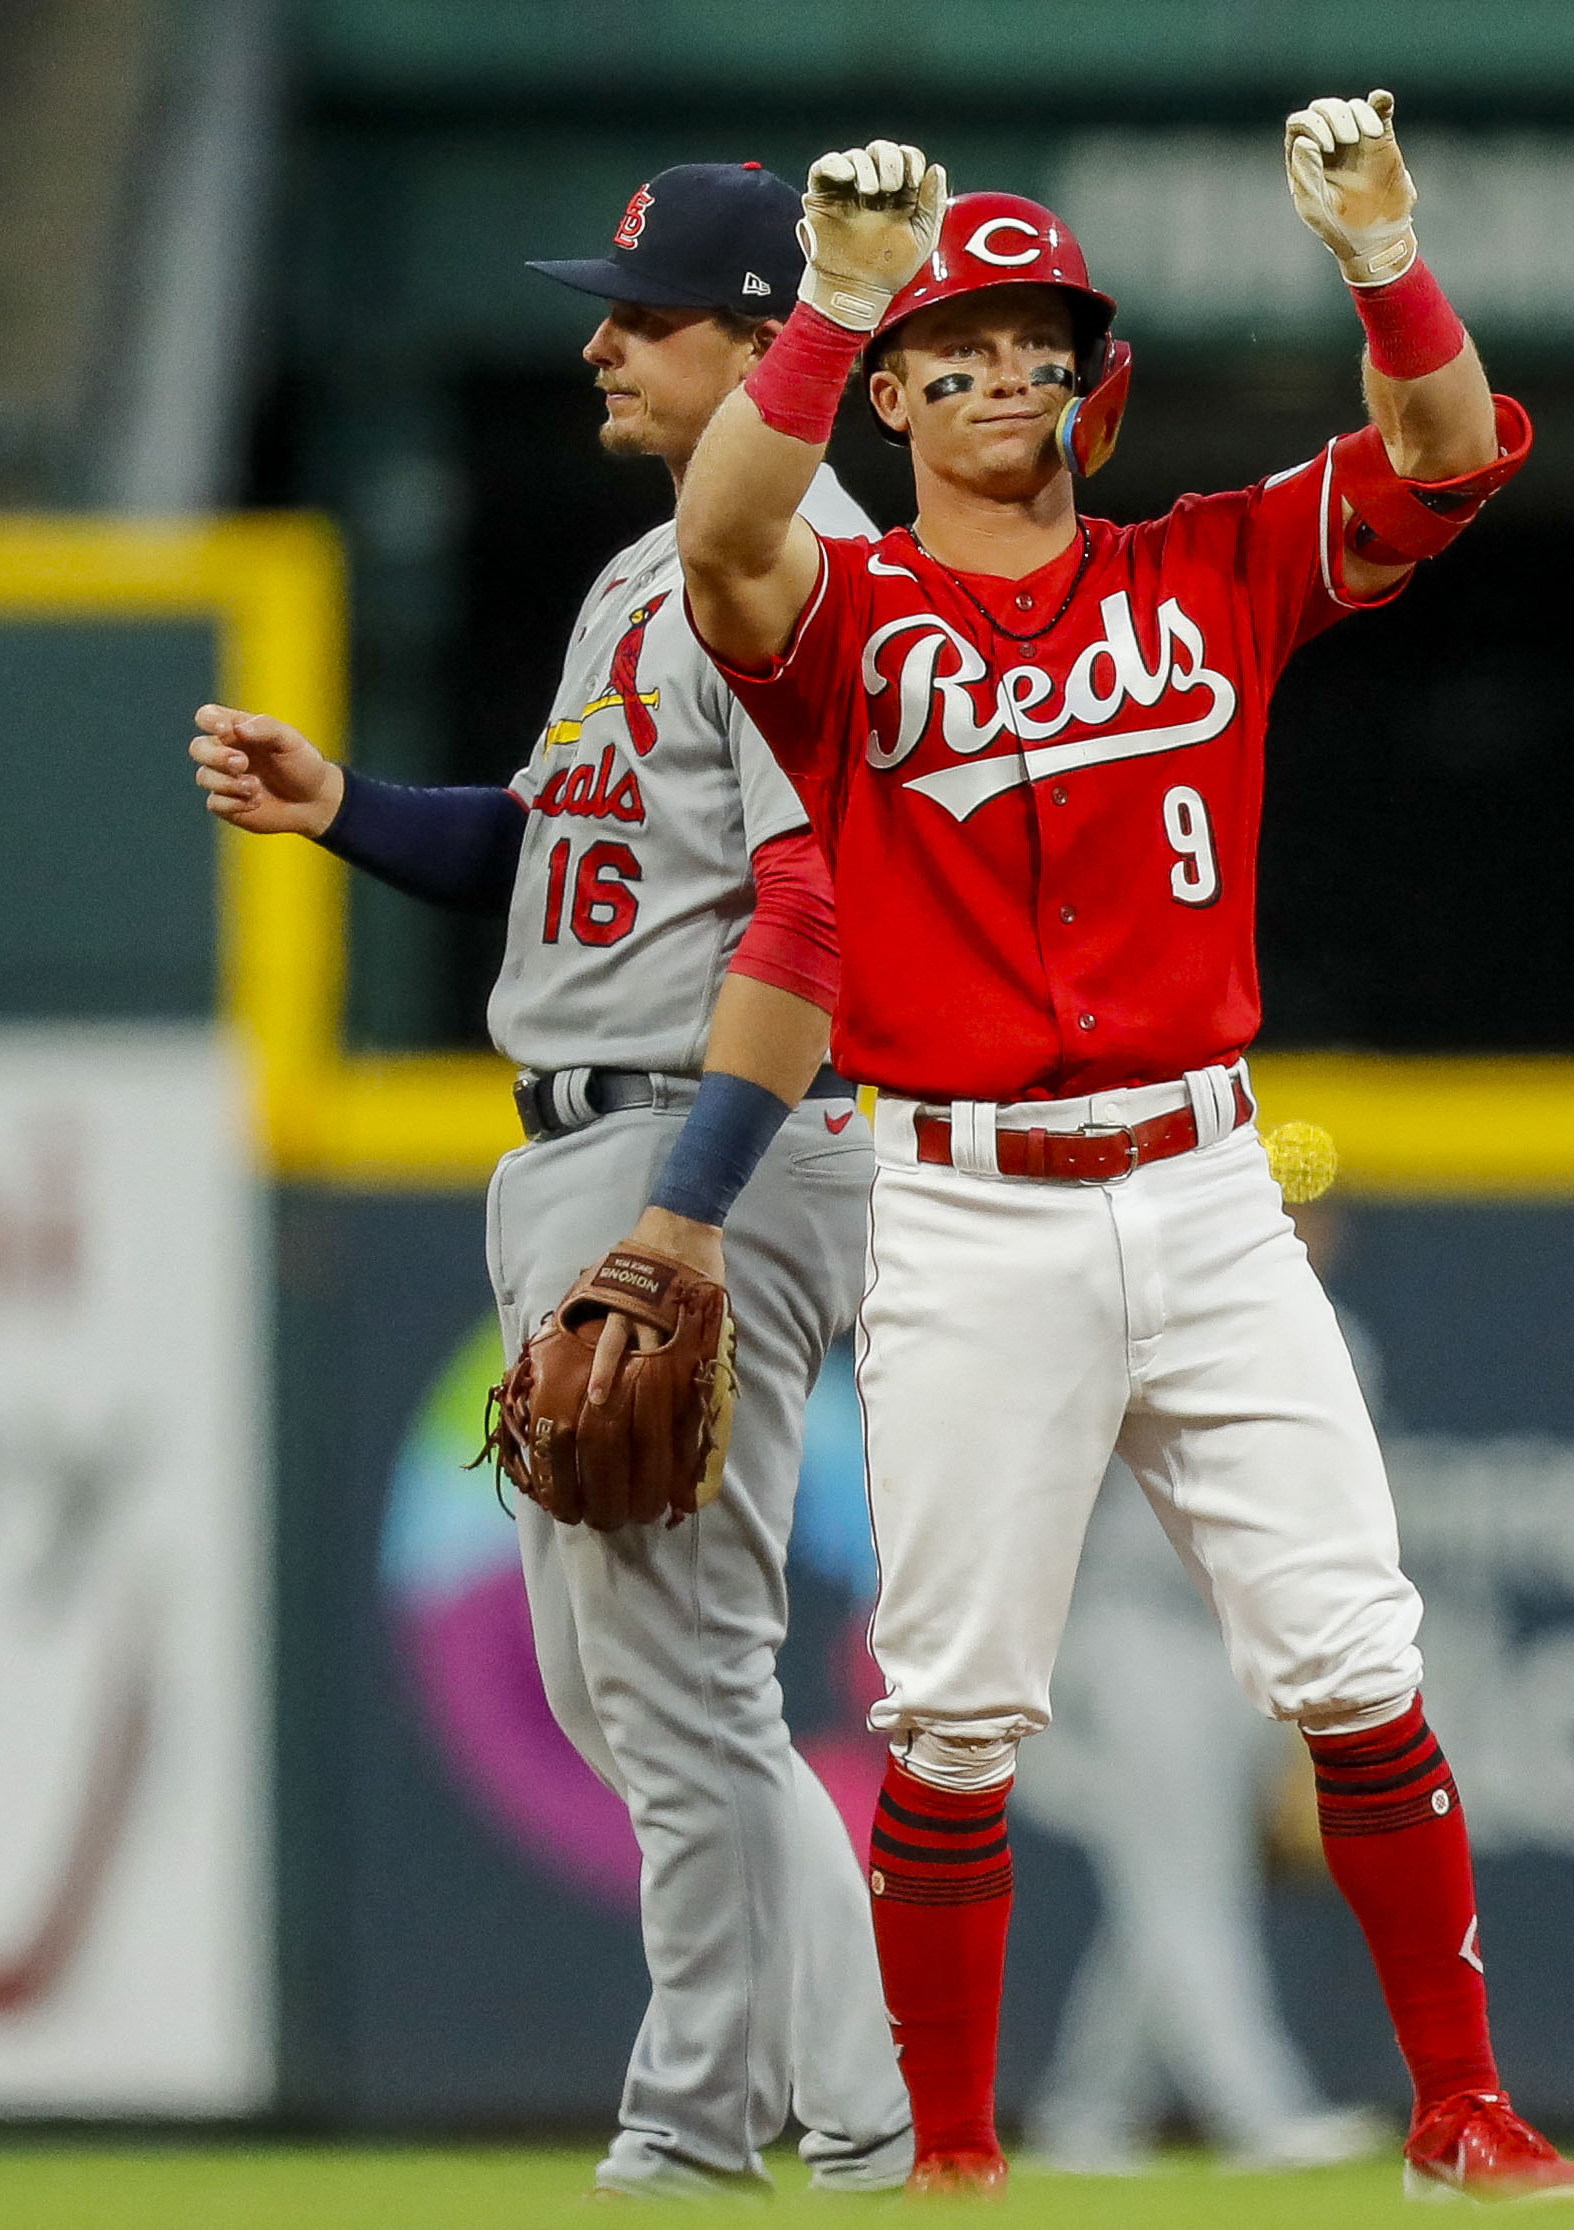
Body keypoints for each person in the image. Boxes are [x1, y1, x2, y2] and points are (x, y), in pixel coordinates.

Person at [673, 97, 1574, 2202]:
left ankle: (1458, 2103)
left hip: (1204, 1182)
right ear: (889, 392)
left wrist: (1380, 252)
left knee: (1356, 1658)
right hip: (967, 1202)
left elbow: (1445, 448)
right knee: (955, 1712)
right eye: (960, 344)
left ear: (1098, 377)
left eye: (1040, 339)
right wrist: (823, 296)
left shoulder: (1208, 566)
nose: (1009, 373)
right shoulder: (846, 612)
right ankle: (956, 2151)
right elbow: (729, 530)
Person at [185, 162, 912, 2199]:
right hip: (582, 1136)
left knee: (678, 1682)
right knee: (626, 1694)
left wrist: (686, 1201)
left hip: (699, 1138)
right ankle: (868, 2119)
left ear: (770, 335)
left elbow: (812, 901)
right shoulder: (635, 576)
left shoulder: (802, 565)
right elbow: (544, 842)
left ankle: (690, 2135)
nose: (597, 336)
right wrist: (344, 810)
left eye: (645, 309)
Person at [1024, 1207, 1398, 2177]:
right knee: (1187, 1882)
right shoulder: (1151, 1319)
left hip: (1242, 1643)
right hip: (1134, 1628)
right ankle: (1262, 2113)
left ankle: (1086, 2112)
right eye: (1285, 1201)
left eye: (1317, 1207)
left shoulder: (1345, 1347)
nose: (1305, 1225)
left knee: (1176, 1882)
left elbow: (1329, 1534)